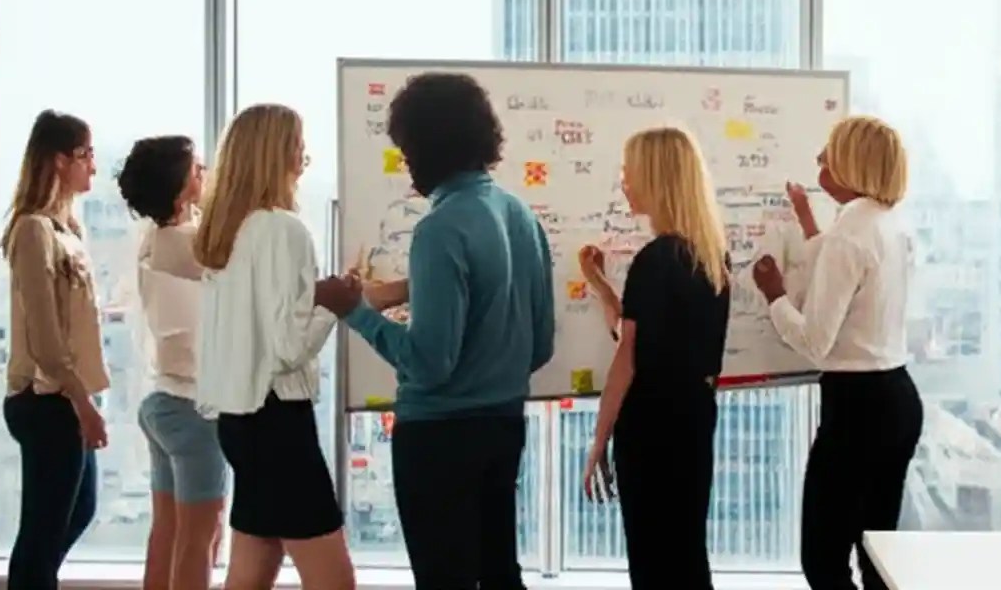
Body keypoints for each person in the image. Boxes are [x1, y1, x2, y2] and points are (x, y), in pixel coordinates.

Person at [322, 72, 555, 590]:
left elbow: (429, 363)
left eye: (407, 151)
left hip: (438, 436)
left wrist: (355, 312)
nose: (405, 166)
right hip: (503, 425)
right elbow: (539, 346)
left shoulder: (440, 229)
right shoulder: (521, 216)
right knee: (499, 573)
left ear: (430, 146)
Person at [750, 115, 923, 590]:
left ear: (852, 163)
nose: (819, 158)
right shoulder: (889, 223)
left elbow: (815, 343)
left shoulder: (850, 235)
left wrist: (774, 296)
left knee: (823, 559)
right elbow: (848, 274)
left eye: (829, 150)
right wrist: (806, 219)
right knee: (876, 555)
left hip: (858, 408)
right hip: (897, 397)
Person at [192, 104, 355, 590]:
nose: (304, 156)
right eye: (297, 144)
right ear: (278, 153)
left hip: (239, 422)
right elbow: (288, 346)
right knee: (333, 580)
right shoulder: (284, 229)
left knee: (253, 565)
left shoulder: (227, 234)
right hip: (279, 419)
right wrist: (331, 306)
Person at [577, 126, 731, 589]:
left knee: (652, 559)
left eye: (629, 171)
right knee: (683, 551)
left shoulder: (655, 258)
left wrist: (598, 441)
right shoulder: (710, 256)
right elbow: (642, 335)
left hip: (650, 426)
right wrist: (602, 287)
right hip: (692, 419)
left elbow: (628, 359)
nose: (624, 182)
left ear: (656, 177)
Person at [0, 109, 109, 590]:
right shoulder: (33, 231)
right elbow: (44, 337)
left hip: (63, 399)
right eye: (85, 154)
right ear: (58, 160)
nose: (92, 165)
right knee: (42, 536)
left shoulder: (67, 231)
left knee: (76, 512)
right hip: (46, 400)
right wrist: (83, 403)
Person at [116, 135, 224, 590]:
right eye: (197, 170)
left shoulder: (155, 238)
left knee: (168, 533)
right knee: (202, 538)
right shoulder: (187, 243)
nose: (205, 175)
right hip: (193, 409)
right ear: (180, 188)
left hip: (163, 402)